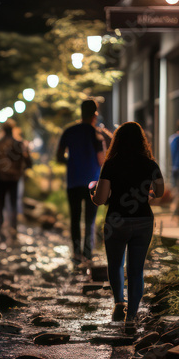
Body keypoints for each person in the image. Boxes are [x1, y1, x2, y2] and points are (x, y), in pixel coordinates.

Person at [91, 122, 164, 330]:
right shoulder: (150, 164)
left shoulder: (111, 164)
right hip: (143, 221)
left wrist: (93, 196)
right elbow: (159, 192)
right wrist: (147, 193)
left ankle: (118, 303)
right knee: (136, 270)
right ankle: (131, 316)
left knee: (115, 264)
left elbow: (101, 197)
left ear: (117, 141)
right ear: (142, 140)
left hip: (116, 221)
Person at [56, 99, 108, 262]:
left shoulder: (69, 131)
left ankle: (76, 253)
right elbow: (102, 161)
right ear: (95, 114)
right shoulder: (96, 134)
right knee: (89, 220)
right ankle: (87, 253)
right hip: (92, 183)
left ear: (81, 112)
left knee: (75, 218)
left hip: (73, 181)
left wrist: (72, 162)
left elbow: (59, 156)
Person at [0, 119, 31, 235]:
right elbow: (28, 161)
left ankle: (1, 224)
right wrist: (21, 171)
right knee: (13, 201)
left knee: (0, 202)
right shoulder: (19, 143)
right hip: (14, 178)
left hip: (0, 177)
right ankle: (13, 225)